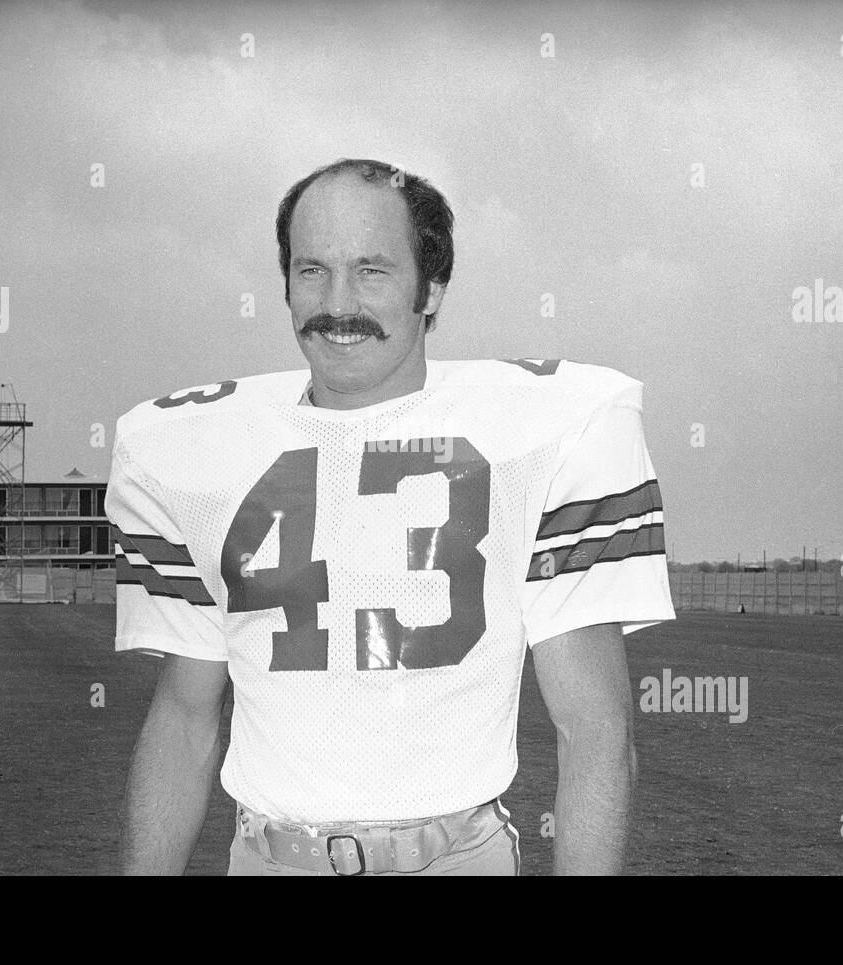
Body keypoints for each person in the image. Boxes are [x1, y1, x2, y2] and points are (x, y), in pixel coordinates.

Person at [107, 158, 675, 876]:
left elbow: (594, 729)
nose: (337, 303)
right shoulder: (195, 452)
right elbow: (185, 721)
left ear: (430, 288)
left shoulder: (545, 433)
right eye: (312, 270)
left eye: (371, 271)